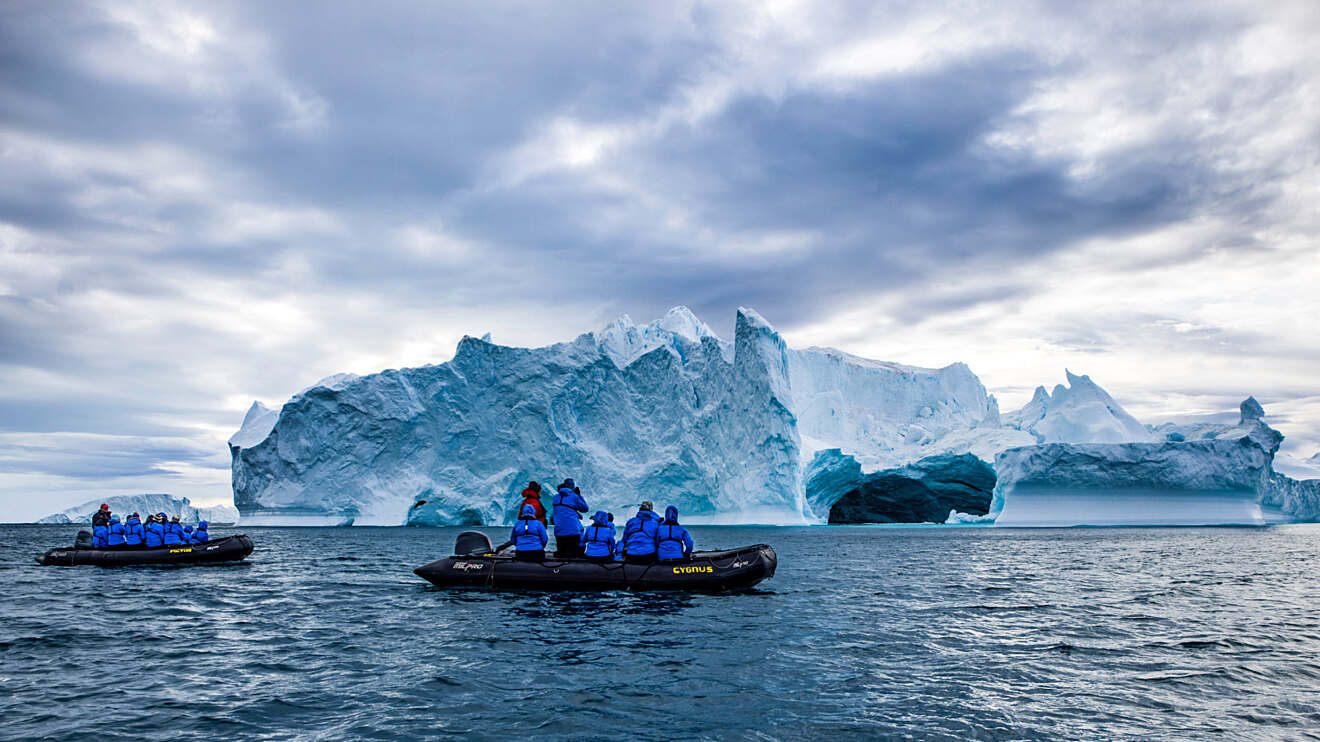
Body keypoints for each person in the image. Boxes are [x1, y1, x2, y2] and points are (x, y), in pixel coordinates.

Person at [551, 478, 589, 558]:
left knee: (562, 554)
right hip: (573, 532)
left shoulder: (555, 497)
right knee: (573, 554)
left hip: (559, 531)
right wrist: (579, 495)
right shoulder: (574, 497)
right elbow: (585, 509)